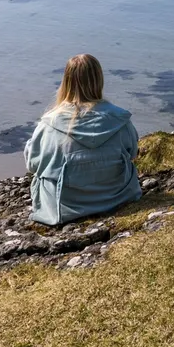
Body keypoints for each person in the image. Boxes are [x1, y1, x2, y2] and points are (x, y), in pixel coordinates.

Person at [24, 54, 142, 225]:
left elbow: (33, 164)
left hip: (65, 206)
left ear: (66, 81)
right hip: (118, 196)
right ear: (99, 80)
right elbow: (132, 153)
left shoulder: (50, 123)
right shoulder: (120, 119)